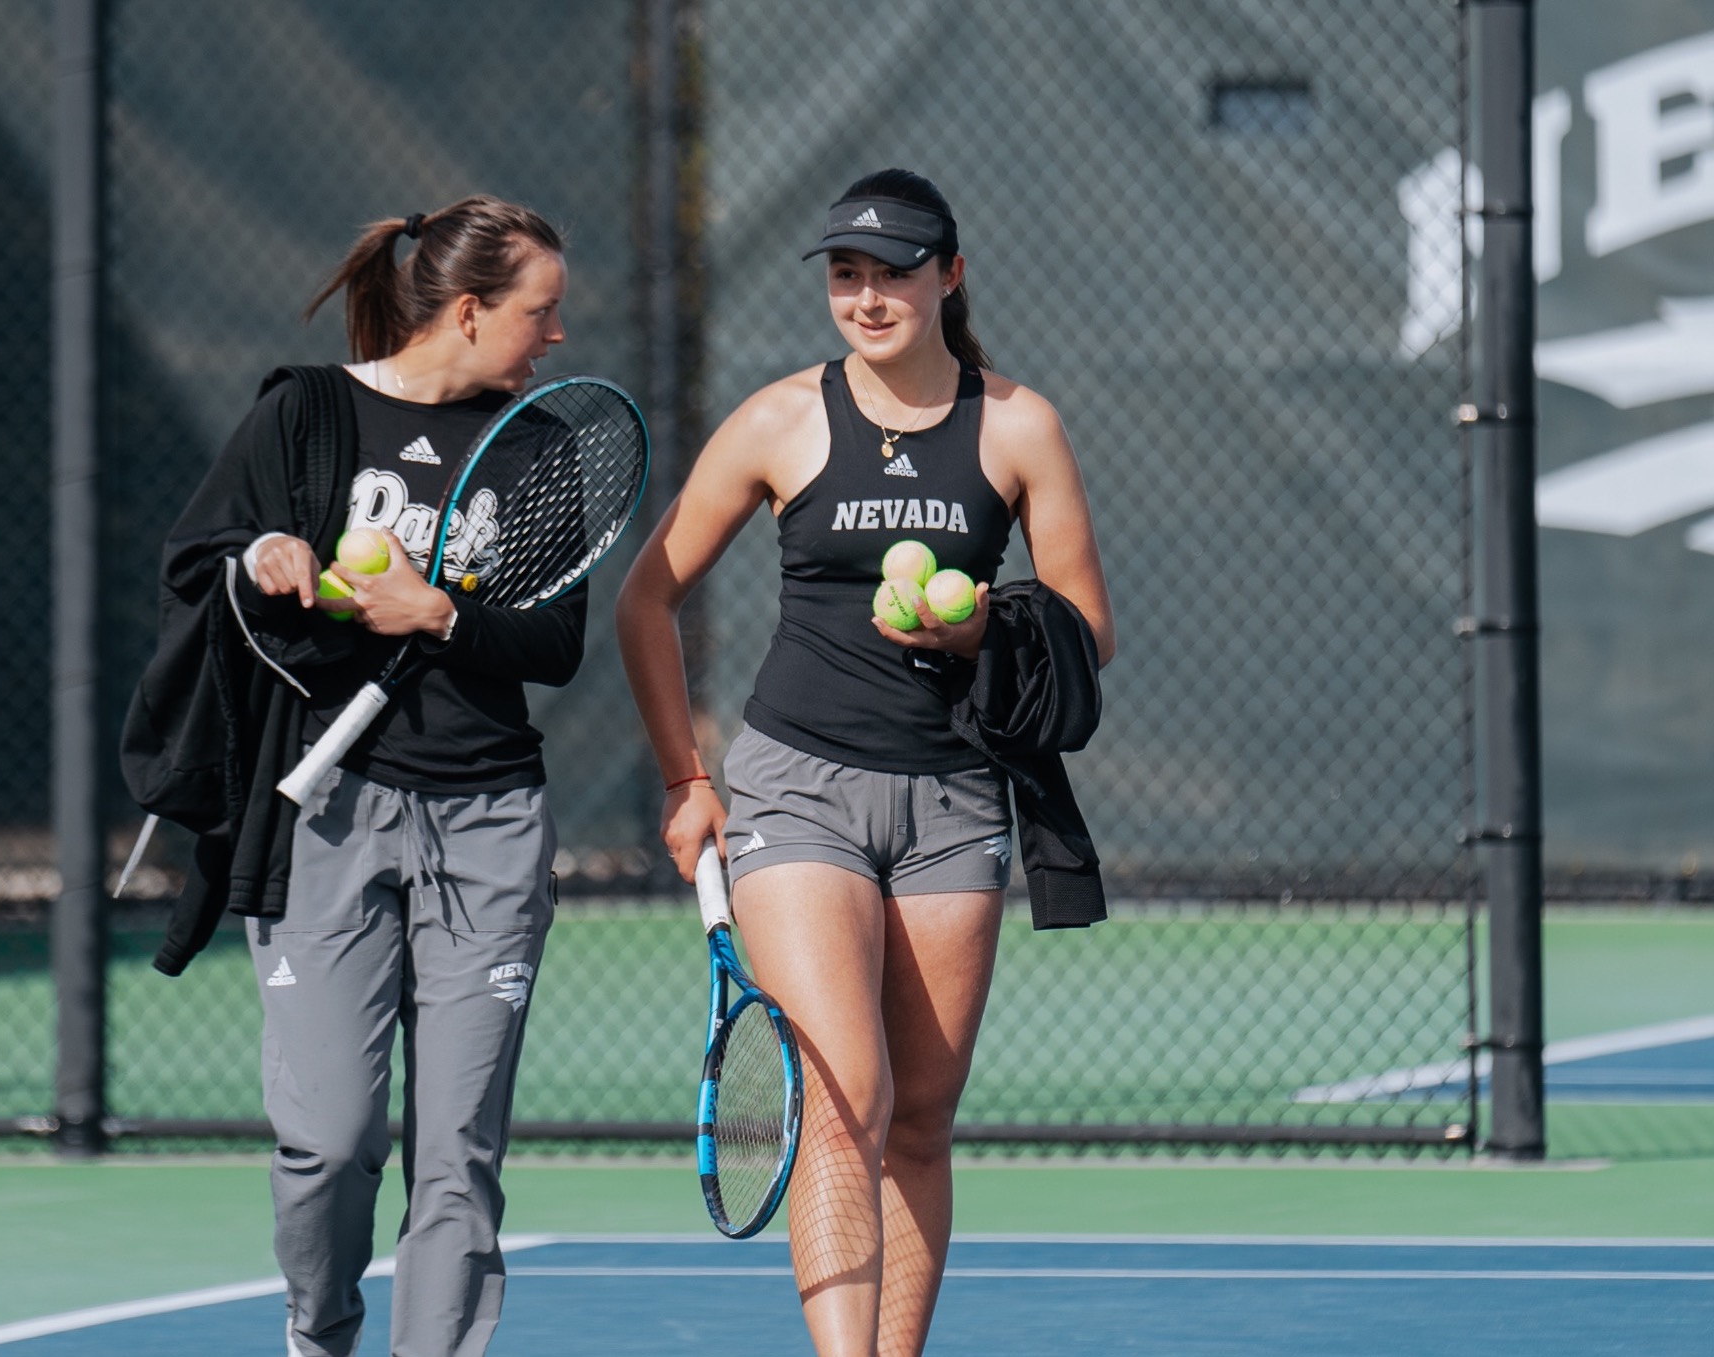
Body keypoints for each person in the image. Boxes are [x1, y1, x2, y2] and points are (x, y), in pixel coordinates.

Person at [615, 168, 1115, 1356]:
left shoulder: (1018, 426)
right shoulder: (778, 420)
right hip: (795, 788)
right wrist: (687, 777)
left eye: (893, 272)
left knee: (921, 1122)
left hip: (952, 797)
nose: (867, 296)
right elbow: (644, 599)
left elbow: (1087, 630)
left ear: (950, 275)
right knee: (844, 1099)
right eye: (846, 275)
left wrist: (978, 629)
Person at [155, 195, 578, 1357]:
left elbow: (555, 643)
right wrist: (262, 553)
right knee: (331, 1141)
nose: (555, 336)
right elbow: (197, 562)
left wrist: (434, 611)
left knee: (458, 1154)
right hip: (324, 814)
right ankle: (319, 1329)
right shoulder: (303, 412)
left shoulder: (541, 445)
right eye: (539, 313)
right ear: (467, 311)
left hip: (489, 818)